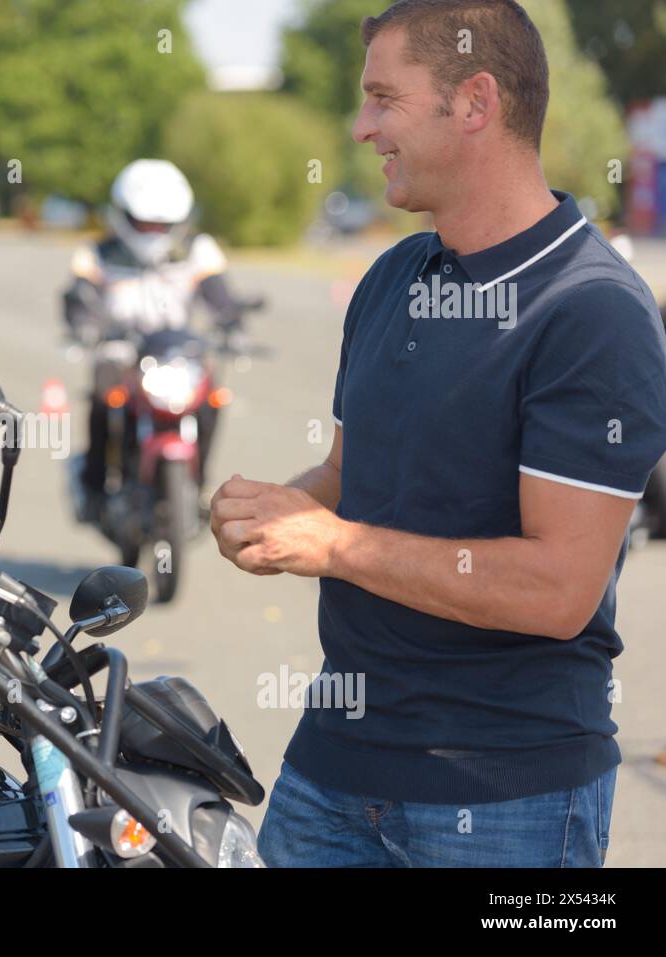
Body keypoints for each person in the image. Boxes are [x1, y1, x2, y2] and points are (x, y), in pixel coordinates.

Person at [211, 0, 666, 867]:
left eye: (384, 98)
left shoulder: (593, 310)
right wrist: (278, 510)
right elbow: (349, 475)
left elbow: (559, 587)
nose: (360, 126)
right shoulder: (390, 277)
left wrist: (335, 544)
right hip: (330, 772)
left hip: (509, 799)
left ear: (475, 102)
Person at [63, 159, 250, 519]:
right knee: (104, 402)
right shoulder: (98, 253)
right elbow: (77, 297)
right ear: (123, 215)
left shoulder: (198, 250)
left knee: (211, 400)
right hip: (119, 352)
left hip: (175, 353)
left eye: (162, 224)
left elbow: (219, 296)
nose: (154, 232)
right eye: (144, 223)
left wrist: (232, 324)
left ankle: (197, 485)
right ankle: (94, 486)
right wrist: (83, 324)